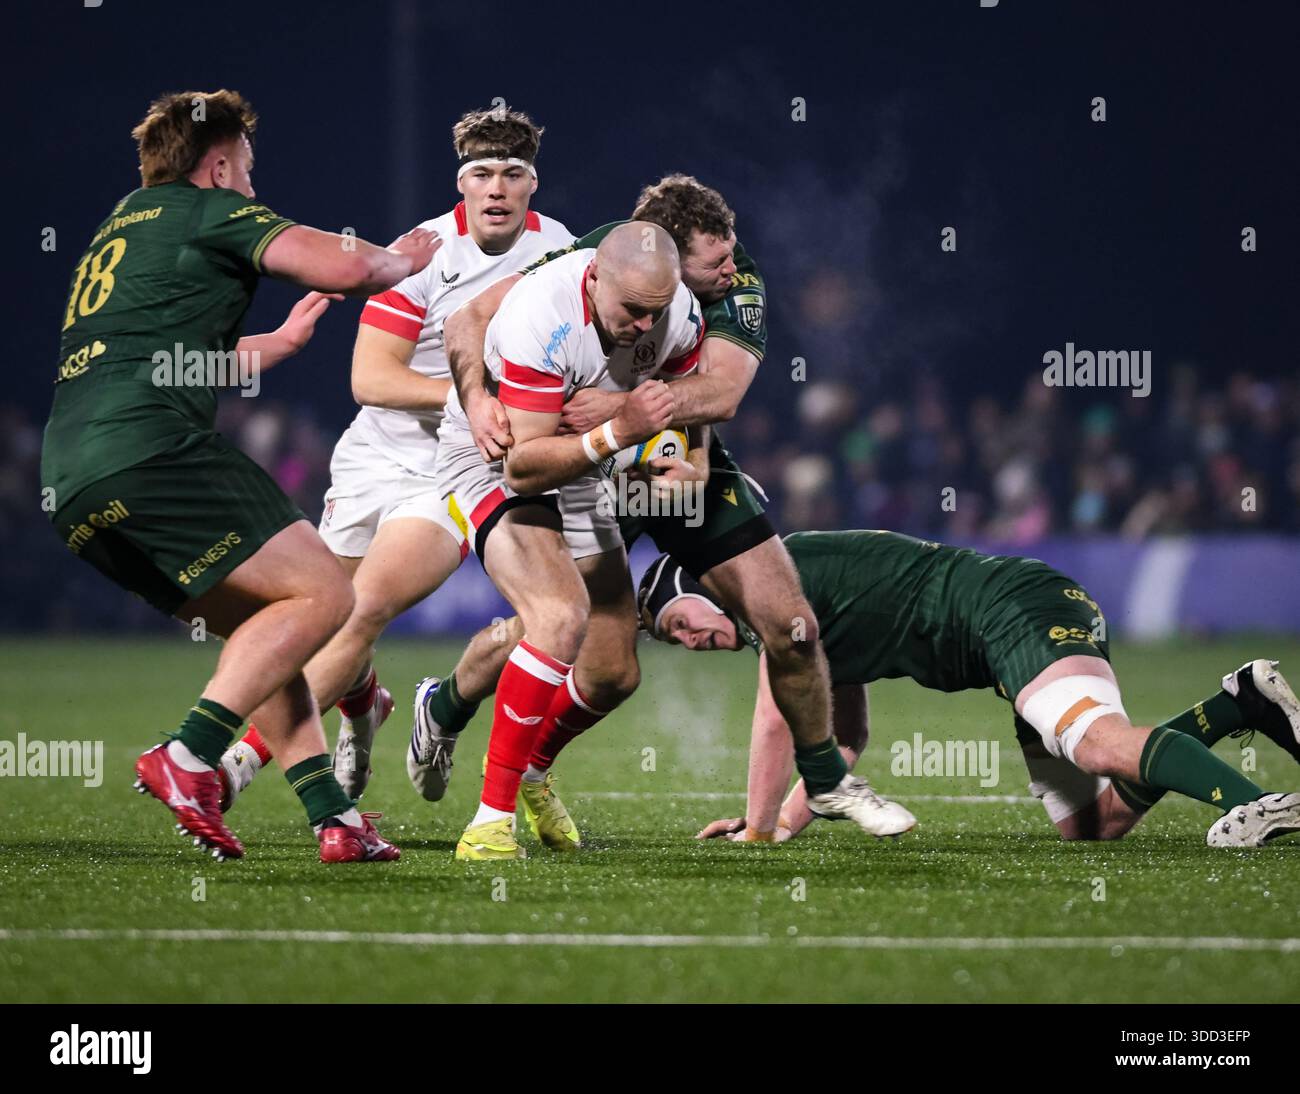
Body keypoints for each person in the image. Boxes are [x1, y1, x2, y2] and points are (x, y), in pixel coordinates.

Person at [41, 89, 438, 862]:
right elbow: (348, 265)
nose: (252, 187)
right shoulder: (203, 208)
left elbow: (168, 356)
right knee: (328, 595)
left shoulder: (119, 229)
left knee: (274, 628)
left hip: (76, 476)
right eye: (248, 170)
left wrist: (278, 346)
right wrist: (405, 260)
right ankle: (188, 755)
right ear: (217, 164)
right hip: (150, 449)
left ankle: (334, 817)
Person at [413, 177, 868, 849]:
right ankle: (486, 813)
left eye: (659, 310)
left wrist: (666, 444)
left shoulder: (687, 300)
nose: (732, 269)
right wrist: (484, 398)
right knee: (555, 618)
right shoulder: (552, 304)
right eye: (636, 309)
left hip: (612, 454)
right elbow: (522, 456)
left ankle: (530, 768)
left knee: (612, 670)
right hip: (503, 458)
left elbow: (717, 394)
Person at [215, 106, 572, 807]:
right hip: (376, 456)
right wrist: (469, 396)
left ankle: (235, 765)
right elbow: (370, 378)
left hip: (456, 469)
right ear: (460, 183)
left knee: (360, 610)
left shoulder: (559, 252)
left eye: (512, 174)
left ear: (533, 184)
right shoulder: (426, 253)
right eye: (481, 174)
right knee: (321, 616)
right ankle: (365, 708)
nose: (496, 189)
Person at [634, 531, 1300, 849]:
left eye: (677, 624)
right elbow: (840, 735)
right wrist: (781, 825)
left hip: (1007, 612)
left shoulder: (766, 590)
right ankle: (1241, 702)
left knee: (1099, 746)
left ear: (699, 586)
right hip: (1008, 622)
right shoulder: (795, 598)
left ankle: (1260, 804)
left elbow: (778, 720)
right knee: (1091, 827)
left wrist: (756, 830)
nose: (686, 642)